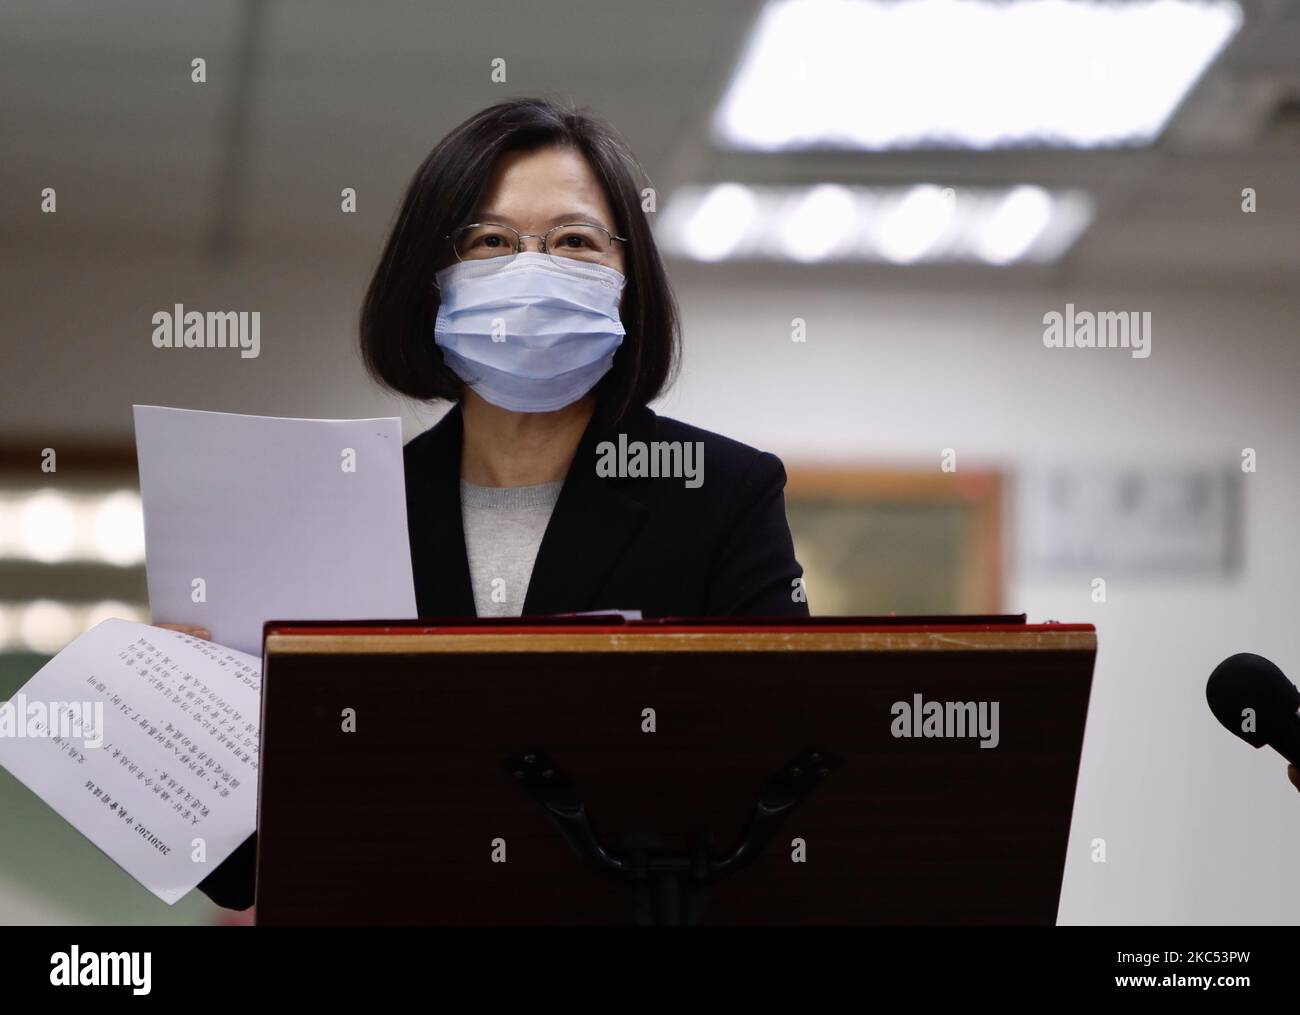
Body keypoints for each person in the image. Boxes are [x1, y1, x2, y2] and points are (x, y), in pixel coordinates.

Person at [160, 97, 809, 909]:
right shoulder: (342, 515)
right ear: (431, 284)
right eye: (491, 242)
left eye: (574, 241)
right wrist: (197, 718)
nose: (530, 271)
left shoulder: (724, 495)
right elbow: (238, 871)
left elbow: (789, 803)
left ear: (626, 279)